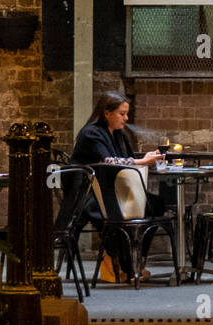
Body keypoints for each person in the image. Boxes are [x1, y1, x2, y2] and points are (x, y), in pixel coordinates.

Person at [70, 91, 164, 280]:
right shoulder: (91, 133)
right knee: (117, 212)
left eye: (126, 114)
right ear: (106, 113)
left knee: (156, 205)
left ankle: (137, 261)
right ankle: (120, 264)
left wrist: (145, 159)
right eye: (122, 114)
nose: (126, 118)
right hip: (89, 195)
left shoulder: (118, 135)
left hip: (111, 191)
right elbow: (109, 162)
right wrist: (142, 162)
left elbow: (125, 160)